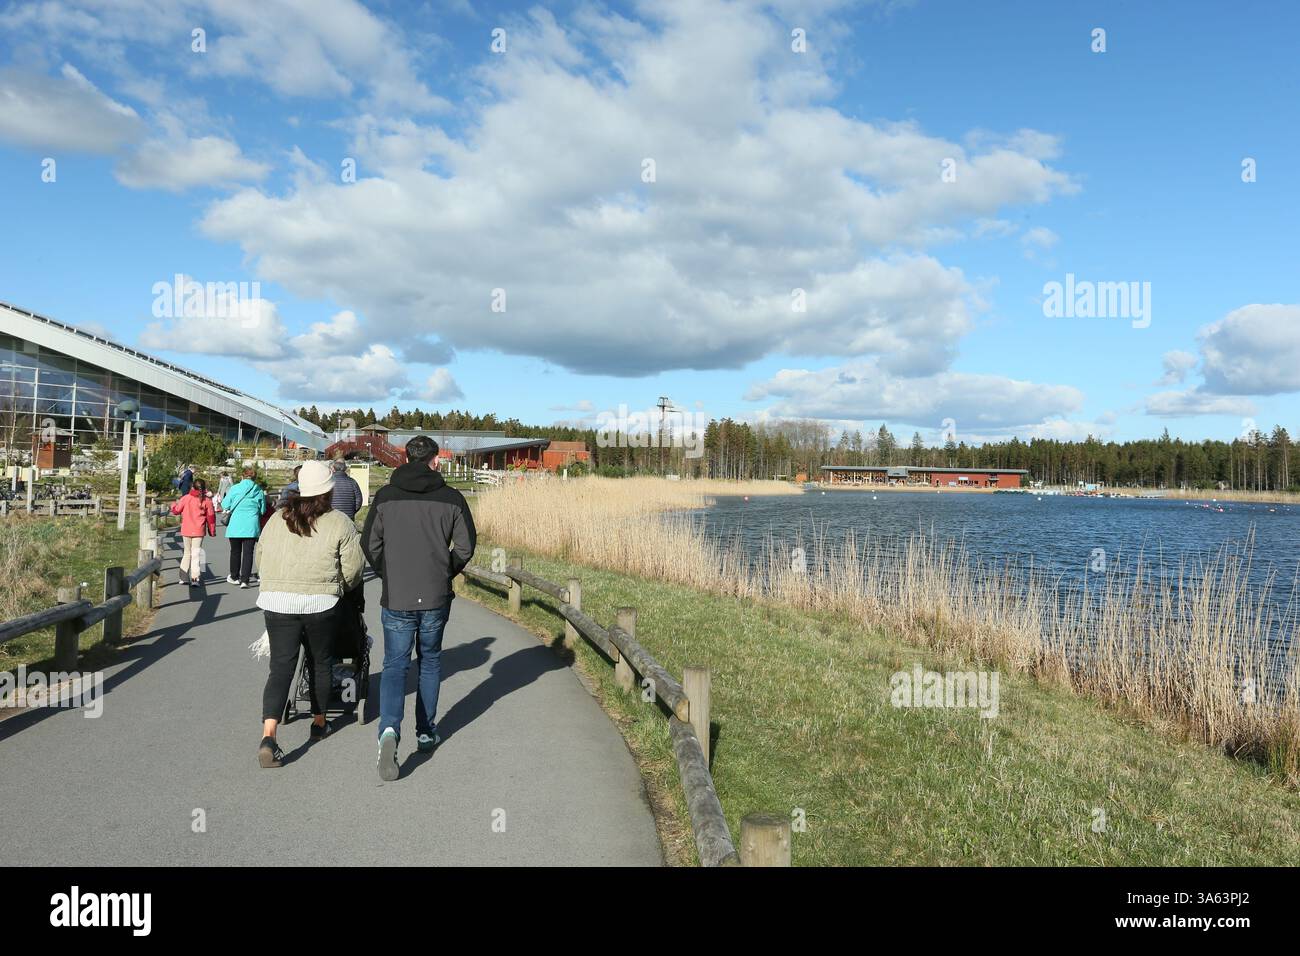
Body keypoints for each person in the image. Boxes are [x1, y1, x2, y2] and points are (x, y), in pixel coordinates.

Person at [362, 435, 475, 781]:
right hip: (435, 596)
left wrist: (387, 572)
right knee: (430, 662)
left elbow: (370, 544)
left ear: (404, 458)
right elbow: (466, 547)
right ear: (435, 461)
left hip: (397, 596)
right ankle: (425, 731)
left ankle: (389, 731)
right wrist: (445, 570)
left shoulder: (385, 497)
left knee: (395, 665)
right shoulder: (452, 499)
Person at [254, 460, 365, 769]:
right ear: (328, 491)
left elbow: (260, 556)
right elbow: (354, 568)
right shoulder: (339, 521)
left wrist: (275, 582)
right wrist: (339, 587)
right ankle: (318, 722)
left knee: (280, 668)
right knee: (320, 661)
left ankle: (269, 735)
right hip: (320, 603)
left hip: (277, 601)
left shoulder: (277, 519)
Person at [221, 466, 267, 589]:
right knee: (248, 553)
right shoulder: (259, 490)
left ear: (242, 476)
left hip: (235, 525)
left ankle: (234, 576)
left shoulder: (235, 488)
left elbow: (225, 504)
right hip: (251, 526)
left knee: (235, 552)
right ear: (254, 477)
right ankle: (245, 580)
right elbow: (262, 510)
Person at [171, 477, 215, 588]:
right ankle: (195, 578)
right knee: (196, 554)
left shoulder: (186, 498)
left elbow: (176, 511)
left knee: (187, 553)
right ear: (204, 488)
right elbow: (211, 517)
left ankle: (183, 577)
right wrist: (212, 531)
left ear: (192, 487)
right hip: (199, 530)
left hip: (186, 529)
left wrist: (172, 505)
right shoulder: (207, 501)